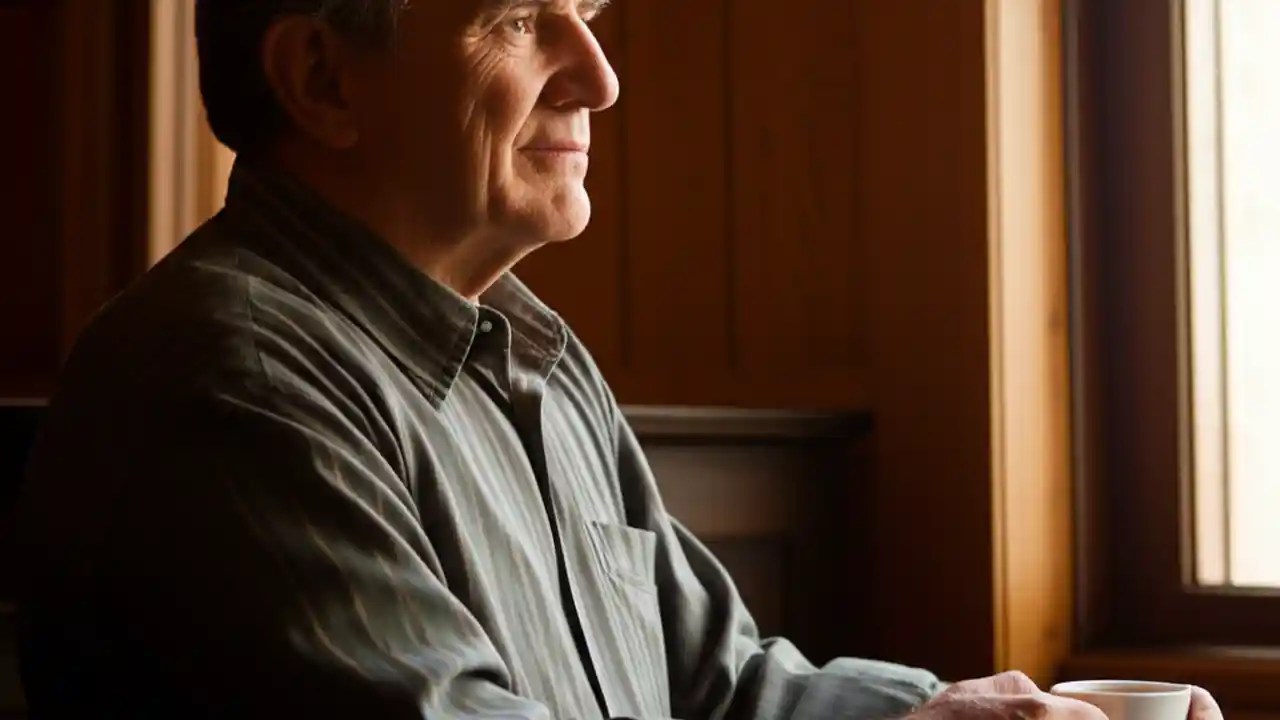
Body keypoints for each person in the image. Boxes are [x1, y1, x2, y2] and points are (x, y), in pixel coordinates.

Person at [13, 1, 1226, 719]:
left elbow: (716, 683)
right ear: (323, 78)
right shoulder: (224, 383)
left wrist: (958, 714)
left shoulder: (531, 347)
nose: (598, 75)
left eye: (586, 11)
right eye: (516, 18)